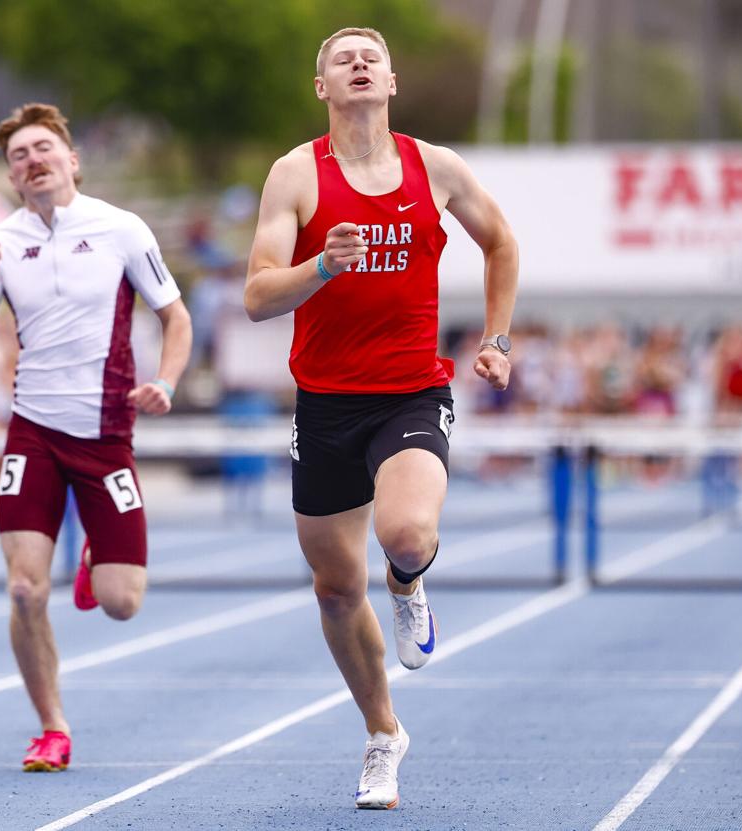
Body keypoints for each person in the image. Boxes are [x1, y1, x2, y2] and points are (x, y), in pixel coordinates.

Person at [244, 28, 517, 810]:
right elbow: (258, 296)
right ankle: (382, 734)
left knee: (405, 533)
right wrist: (321, 265)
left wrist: (496, 339)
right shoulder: (295, 174)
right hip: (324, 402)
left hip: (409, 393)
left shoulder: (434, 167)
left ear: (391, 79)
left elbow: (500, 243)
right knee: (333, 588)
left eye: (370, 55)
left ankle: (407, 580)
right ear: (321, 86)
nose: (358, 63)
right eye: (341, 58)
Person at [0, 103, 192, 772]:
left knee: (122, 602)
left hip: (104, 433)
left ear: (72, 159)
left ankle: (93, 557)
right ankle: (51, 726)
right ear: (10, 175)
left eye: (43, 148)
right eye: (19, 154)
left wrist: (165, 381)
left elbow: (177, 318)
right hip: (32, 431)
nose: (33, 160)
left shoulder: (120, 229)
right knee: (25, 590)